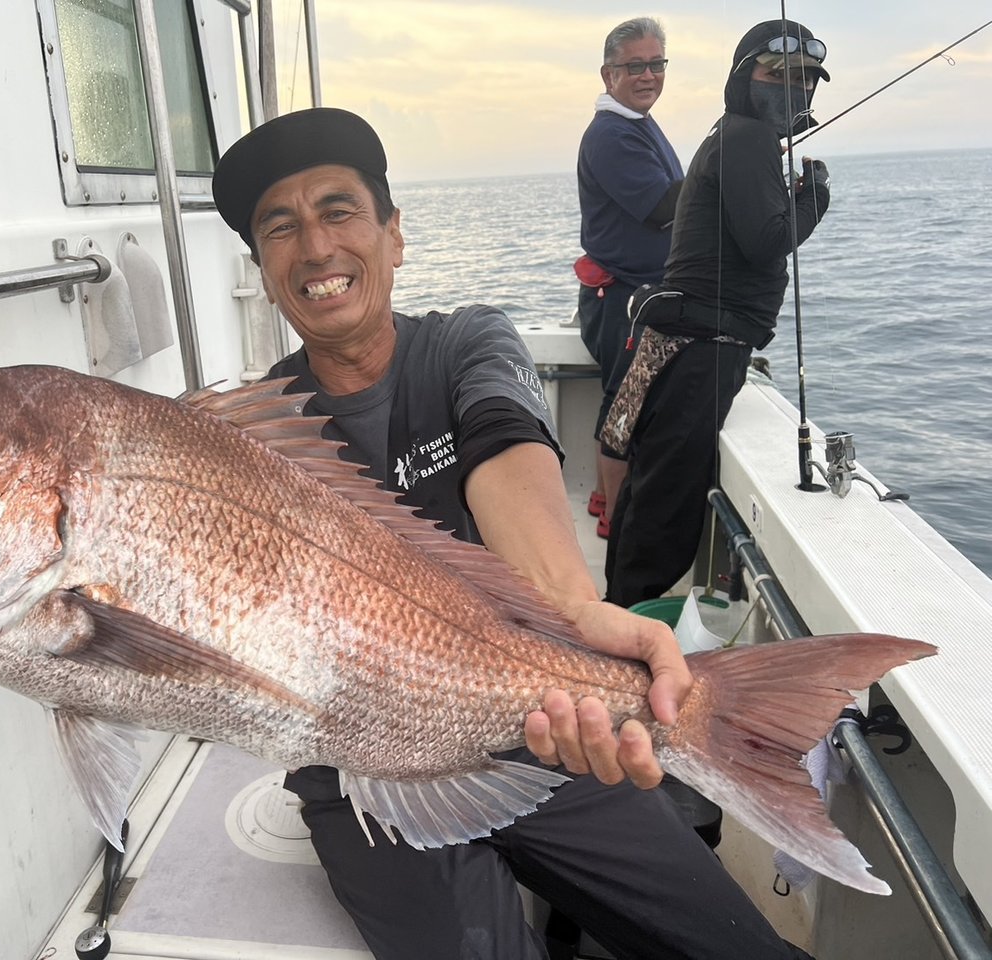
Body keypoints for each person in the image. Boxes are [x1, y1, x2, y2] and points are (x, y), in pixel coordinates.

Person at [211, 107, 816, 960]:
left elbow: (508, 445)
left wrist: (572, 614)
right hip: (362, 771)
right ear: (263, 268)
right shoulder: (250, 437)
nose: (315, 247)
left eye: (340, 210)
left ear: (394, 233)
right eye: (281, 226)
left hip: (538, 725)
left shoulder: (467, 342)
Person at [604, 20, 832, 608]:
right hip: (703, 347)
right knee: (664, 515)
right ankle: (624, 636)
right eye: (777, 74)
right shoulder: (749, 137)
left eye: (805, 79)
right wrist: (813, 199)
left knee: (649, 495)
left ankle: (617, 613)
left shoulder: (730, 135)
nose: (793, 88)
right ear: (743, 77)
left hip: (686, 341)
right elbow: (765, 240)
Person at [576, 16, 683, 540]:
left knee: (624, 402)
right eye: (634, 66)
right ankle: (614, 518)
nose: (648, 75)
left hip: (638, 293)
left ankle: (604, 498)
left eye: (656, 64)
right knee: (623, 406)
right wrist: (721, 169)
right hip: (621, 297)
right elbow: (664, 207)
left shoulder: (637, 123)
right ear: (608, 74)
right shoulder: (613, 134)